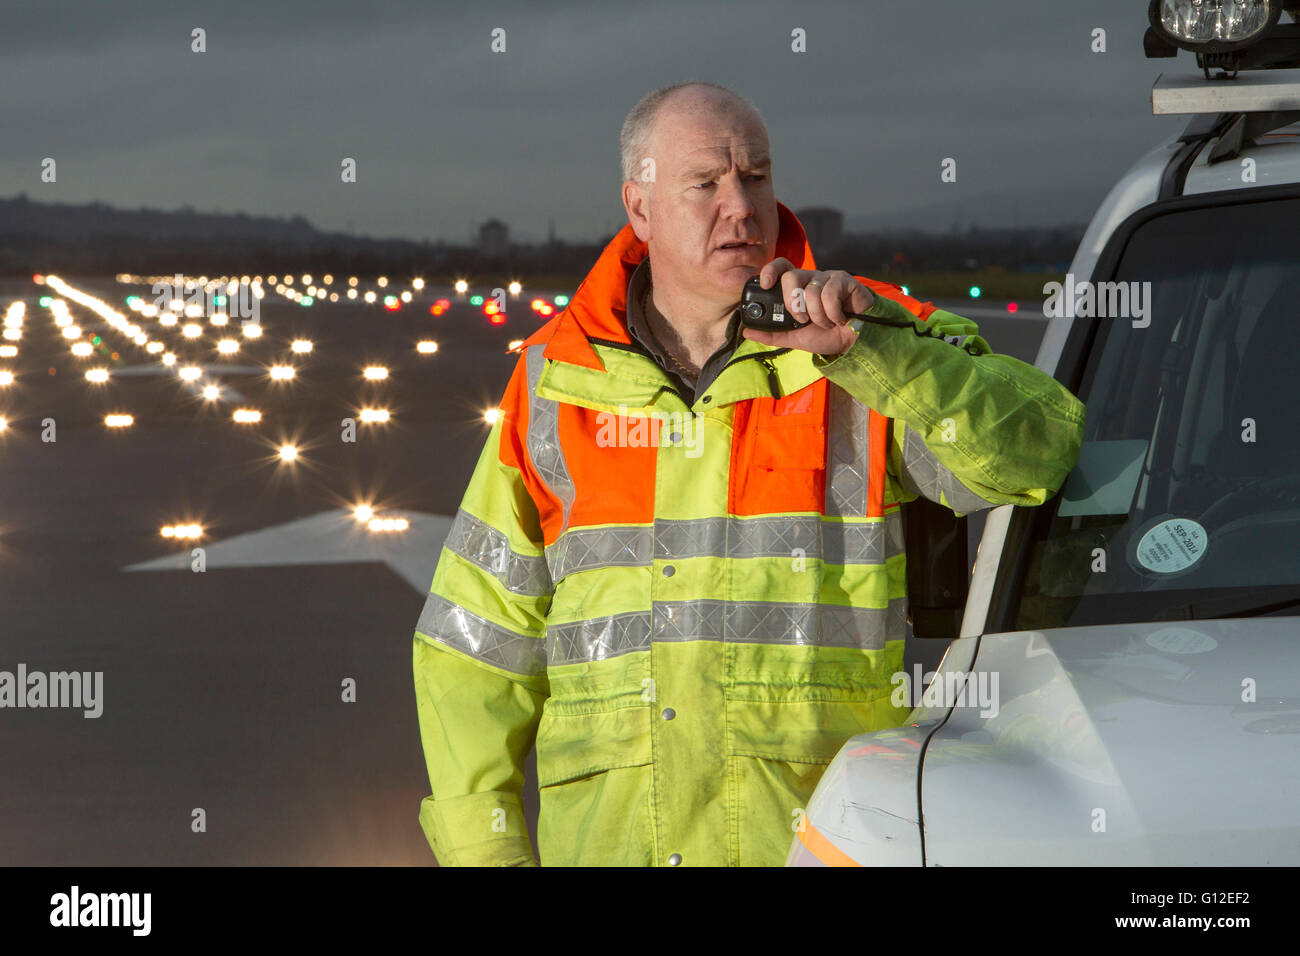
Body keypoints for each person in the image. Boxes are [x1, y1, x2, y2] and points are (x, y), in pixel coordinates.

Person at [412, 82, 1085, 866]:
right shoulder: (555, 379)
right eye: (707, 182)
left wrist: (869, 355)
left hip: (821, 844)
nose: (741, 205)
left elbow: (1038, 452)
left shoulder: (865, 341)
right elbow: (473, 649)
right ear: (640, 207)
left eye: (756, 176)